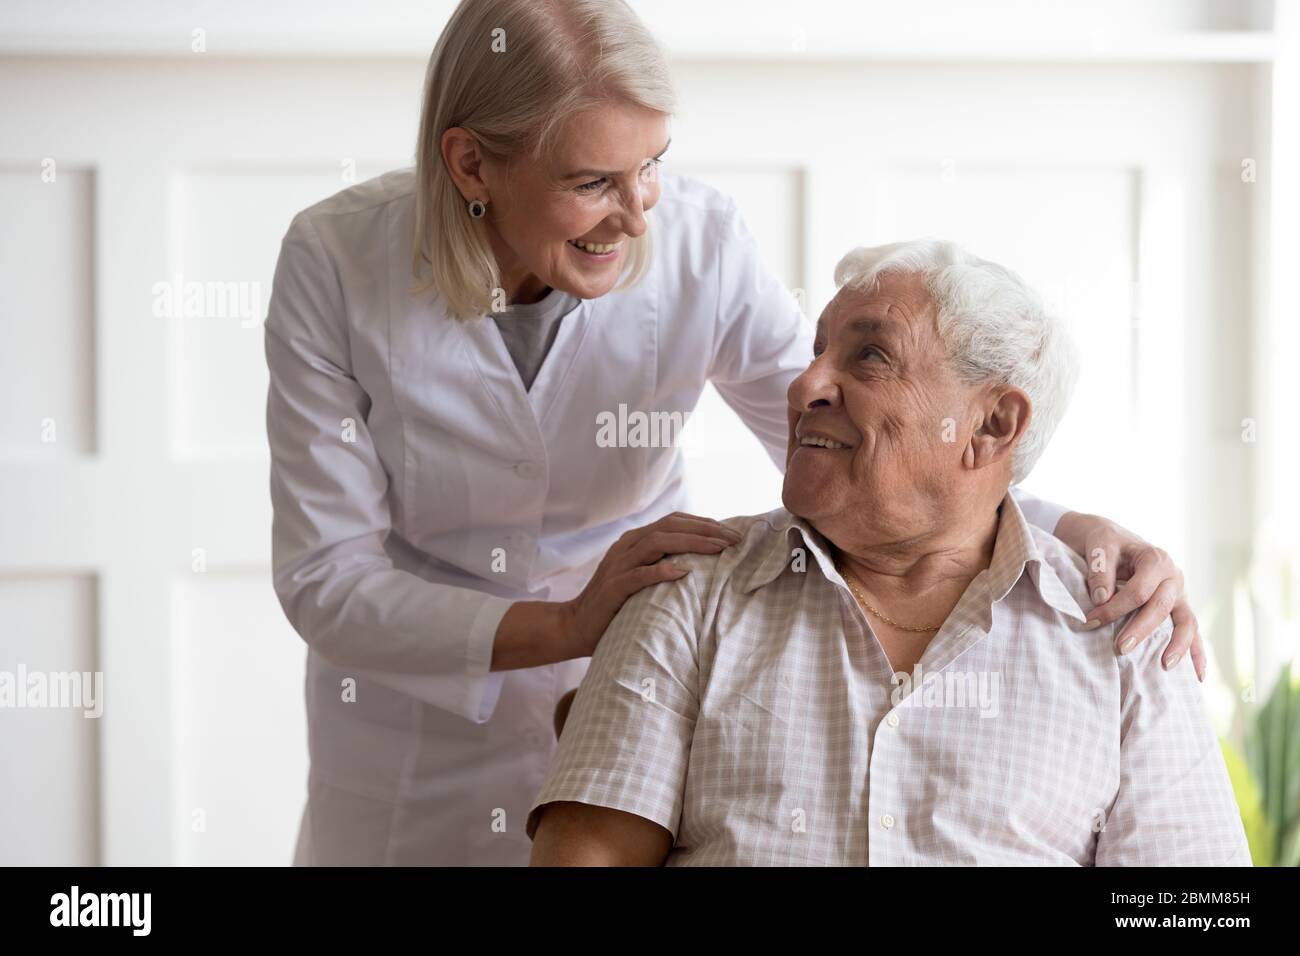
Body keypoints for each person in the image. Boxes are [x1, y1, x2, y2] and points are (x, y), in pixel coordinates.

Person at [265, 0, 1205, 866]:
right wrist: (566, 623)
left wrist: (1076, 533)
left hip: (630, 677)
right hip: (422, 730)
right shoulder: (338, 262)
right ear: (472, 164)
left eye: (652, 167)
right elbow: (327, 577)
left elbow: (870, 451)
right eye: (594, 181)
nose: (637, 218)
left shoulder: (699, 241)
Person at [527, 241, 1250, 866]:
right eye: (817, 351)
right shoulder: (686, 590)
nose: (805, 384)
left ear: (993, 425)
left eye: (870, 355)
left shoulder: (1126, 640)